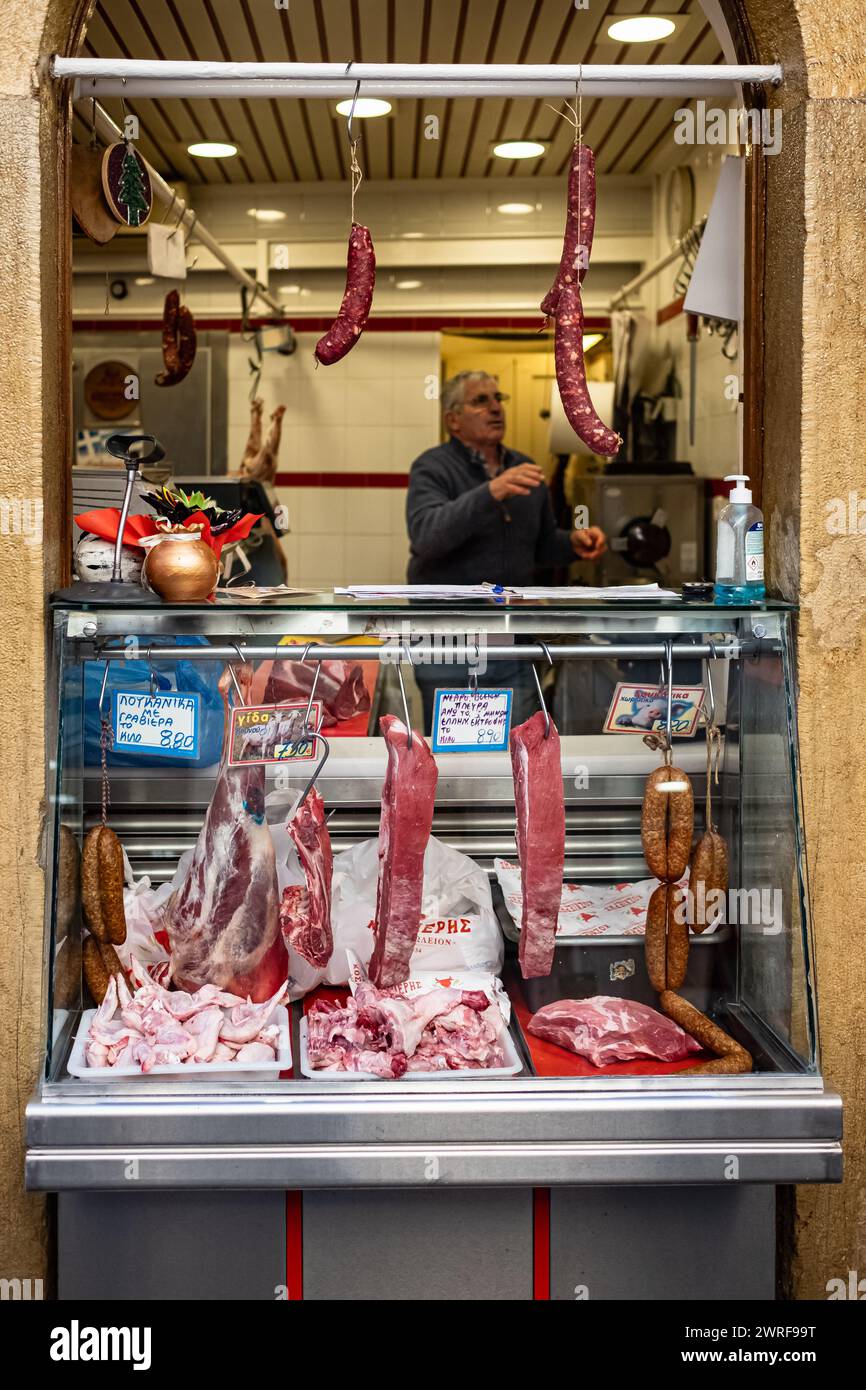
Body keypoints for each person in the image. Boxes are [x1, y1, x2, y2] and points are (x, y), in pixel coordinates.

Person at [405, 370, 608, 728]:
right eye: (480, 401)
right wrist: (491, 492)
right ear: (453, 420)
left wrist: (572, 543)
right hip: (447, 645)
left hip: (513, 642)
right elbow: (426, 537)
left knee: (517, 753)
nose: (495, 408)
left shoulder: (524, 467)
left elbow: (542, 546)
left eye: (498, 399)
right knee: (452, 757)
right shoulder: (432, 467)